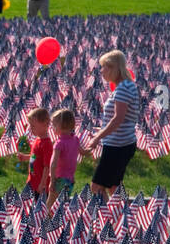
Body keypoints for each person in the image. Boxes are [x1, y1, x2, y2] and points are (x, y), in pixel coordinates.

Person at [89, 50, 142, 196]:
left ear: (114, 68)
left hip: (117, 145)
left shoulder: (123, 88)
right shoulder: (127, 86)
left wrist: (97, 137)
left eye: (104, 67)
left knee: (97, 186)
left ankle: (107, 217)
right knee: (114, 187)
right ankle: (121, 216)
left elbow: (118, 119)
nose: (101, 71)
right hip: (122, 143)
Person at [46, 109, 79, 210]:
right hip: (70, 179)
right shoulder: (75, 140)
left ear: (60, 125)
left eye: (54, 125)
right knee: (62, 204)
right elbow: (82, 151)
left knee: (50, 203)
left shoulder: (59, 143)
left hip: (59, 178)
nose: (52, 128)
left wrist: (51, 180)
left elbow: (53, 163)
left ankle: (44, 222)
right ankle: (60, 222)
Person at [18, 106, 53, 198]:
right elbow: (35, 156)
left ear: (45, 124)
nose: (30, 128)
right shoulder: (37, 140)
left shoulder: (46, 144)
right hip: (32, 181)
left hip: (40, 185)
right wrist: (26, 157)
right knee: (27, 205)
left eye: (33, 126)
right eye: (30, 125)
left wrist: (42, 184)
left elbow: (47, 166)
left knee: (39, 209)